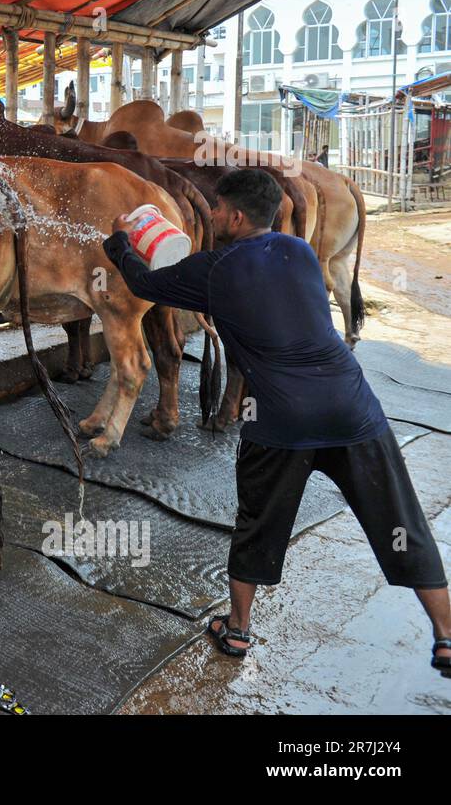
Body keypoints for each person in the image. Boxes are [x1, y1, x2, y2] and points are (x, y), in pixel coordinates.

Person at [103, 168, 450, 674]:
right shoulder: (302, 253)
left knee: (256, 527)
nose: (212, 215)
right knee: (402, 524)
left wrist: (120, 240)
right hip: (354, 408)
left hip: (281, 422)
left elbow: (143, 282)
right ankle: (445, 636)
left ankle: (238, 630)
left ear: (237, 216)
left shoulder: (215, 270)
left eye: (218, 209)